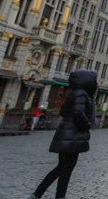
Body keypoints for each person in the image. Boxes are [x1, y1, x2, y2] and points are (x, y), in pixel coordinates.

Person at [29, 69, 97, 199]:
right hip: (73, 137)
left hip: (66, 135)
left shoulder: (72, 93)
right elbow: (78, 113)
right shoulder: (82, 94)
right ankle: (49, 195)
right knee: (65, 170)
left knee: (61, 168)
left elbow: (63, 112)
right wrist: (86, 125)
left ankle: (38, 194)